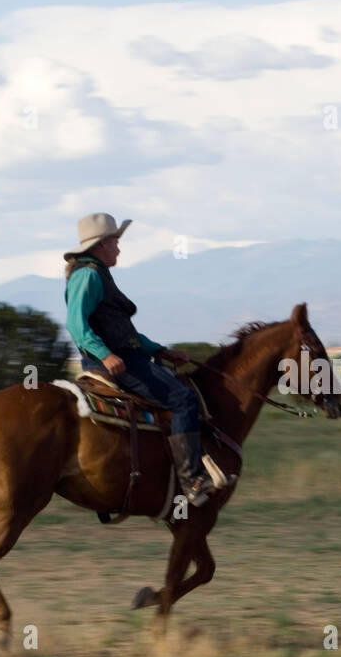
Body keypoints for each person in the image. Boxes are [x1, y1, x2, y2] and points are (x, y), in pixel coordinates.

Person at [62, 212, 223, 505]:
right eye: (115, 242)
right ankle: (192, 480)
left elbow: (122, 332)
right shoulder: (88, 275)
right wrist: (105, 355)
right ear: (101, 246)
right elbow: (76, 324)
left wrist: (159, 351)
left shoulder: (97, 273)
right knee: (183, 398)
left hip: (126, 357)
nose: (119, 248)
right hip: (117, 363)